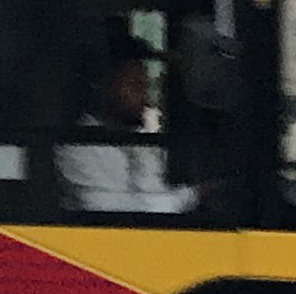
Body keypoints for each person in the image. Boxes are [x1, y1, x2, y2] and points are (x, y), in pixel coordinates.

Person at [57, 32, 194, 215]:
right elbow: (120, 215)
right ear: (104, 86)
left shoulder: (141, 141)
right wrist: (194, 195)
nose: (145, 98)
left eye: (146, 87)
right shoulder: (77, 146)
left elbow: (154, 197)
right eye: (136, 86)